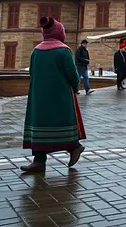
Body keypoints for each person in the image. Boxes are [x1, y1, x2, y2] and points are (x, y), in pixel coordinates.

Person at [21, 16, 85, 173]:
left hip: (39, 96)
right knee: (62, 122)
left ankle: (39, 160)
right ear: (59, 32)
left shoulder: (36, 51)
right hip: (61, 96)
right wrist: (76, 87)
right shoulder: (63, 51)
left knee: (40, 124)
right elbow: (72, 73)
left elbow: (32, 72)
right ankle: (74, 147)